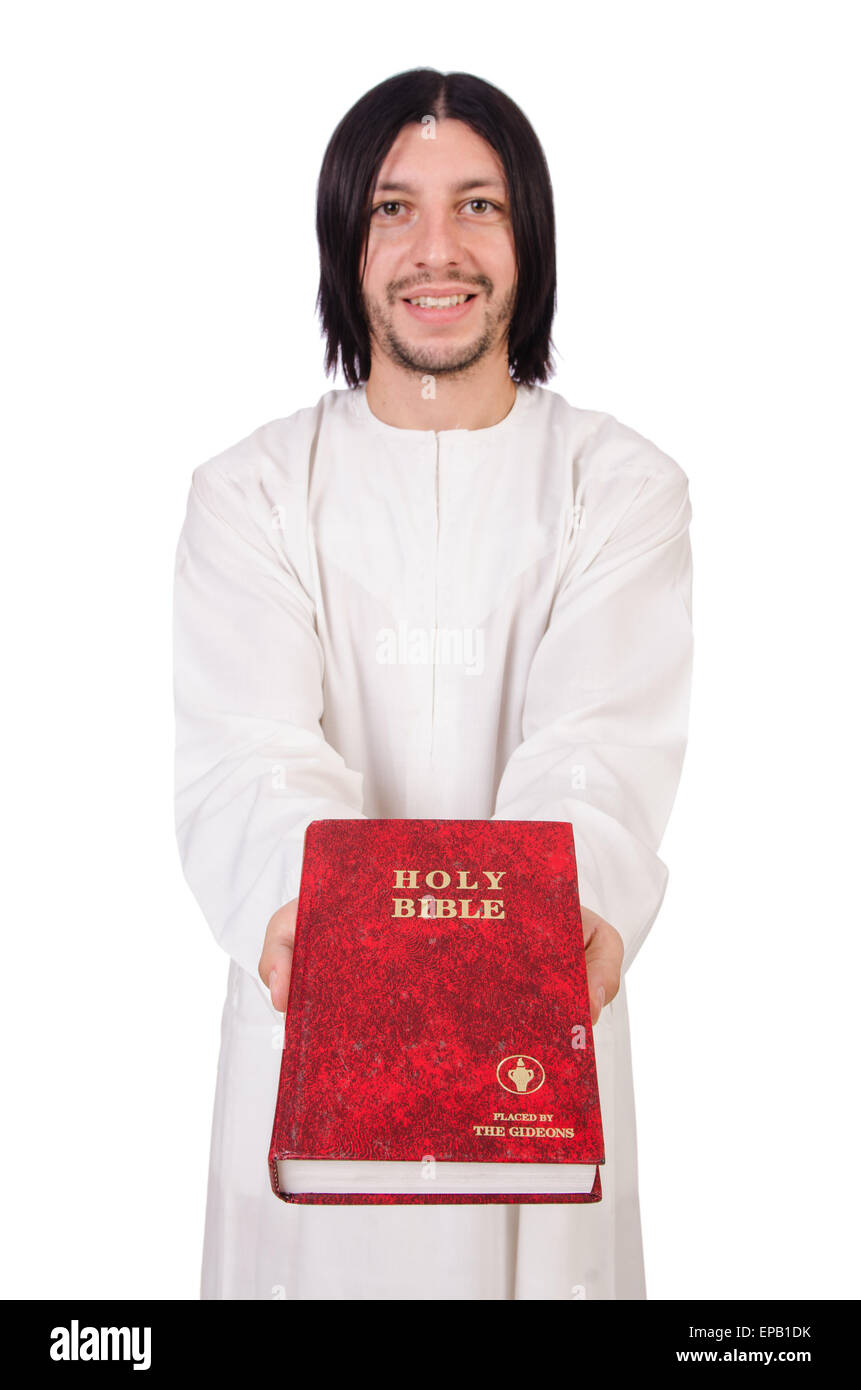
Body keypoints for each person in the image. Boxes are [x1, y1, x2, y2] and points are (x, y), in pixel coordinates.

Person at [172, 67, 694, 1300]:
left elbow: (597, 748)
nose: (437, 250)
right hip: (315, 1078)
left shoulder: (617, 489)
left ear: (531, 240)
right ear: (345, 243)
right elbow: (250, 757)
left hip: (536, 1090)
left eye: (481, 205)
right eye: (393, 208)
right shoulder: (249, 494)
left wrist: (539, 943)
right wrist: (335, 949)